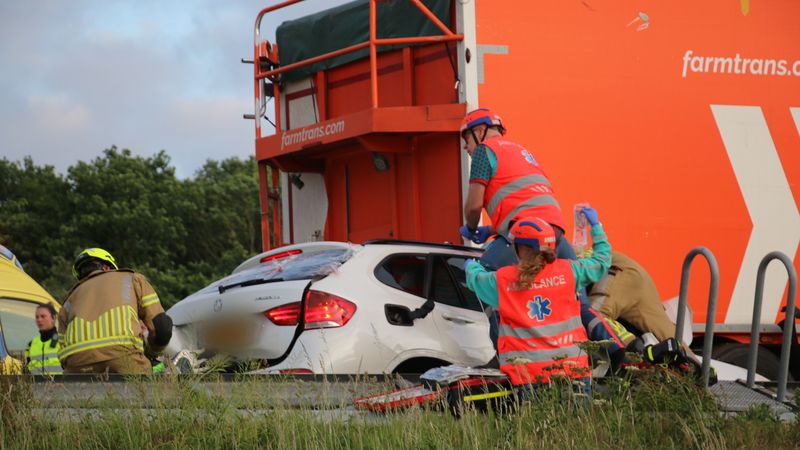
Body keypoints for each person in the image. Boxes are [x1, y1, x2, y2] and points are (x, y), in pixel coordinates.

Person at [457, 107, 625, 360]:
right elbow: (524, 201)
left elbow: (473, 205)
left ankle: (505, 359)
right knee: (576, 301)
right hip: (553, 230)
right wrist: (492, 230)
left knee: (491, 284)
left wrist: (470, 228)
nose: (465, 147)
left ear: (479, 131)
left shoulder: (484, 151)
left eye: (466, 139)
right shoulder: (520, 152)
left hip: (524, 233)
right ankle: (617, 353)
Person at [464, 207, 610, 394]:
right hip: (572, 370)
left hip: (527, 375)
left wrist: (471, 267)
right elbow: (602, 260)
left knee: (537, 423)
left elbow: (476, 279)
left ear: (520, 248)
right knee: (577, 422)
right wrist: (596, 226)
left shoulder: (503, 281)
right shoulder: (570, 272)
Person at [57, 248, 173, 374]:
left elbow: (63, 354)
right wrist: (152, 353)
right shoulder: (131, 279)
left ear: (80, 276)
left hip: (77, 369)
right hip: (126, 360)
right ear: (108, 268)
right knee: (162, 376)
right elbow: (161, 326)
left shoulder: (67, 302)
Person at [25, 303, 63, 375]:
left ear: (54, 318)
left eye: (43, 316)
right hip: (36, 385)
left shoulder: (62, 341)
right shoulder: (31, 344)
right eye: (37, 317)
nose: (39, 320)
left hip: (60, 385)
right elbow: (26, 371)